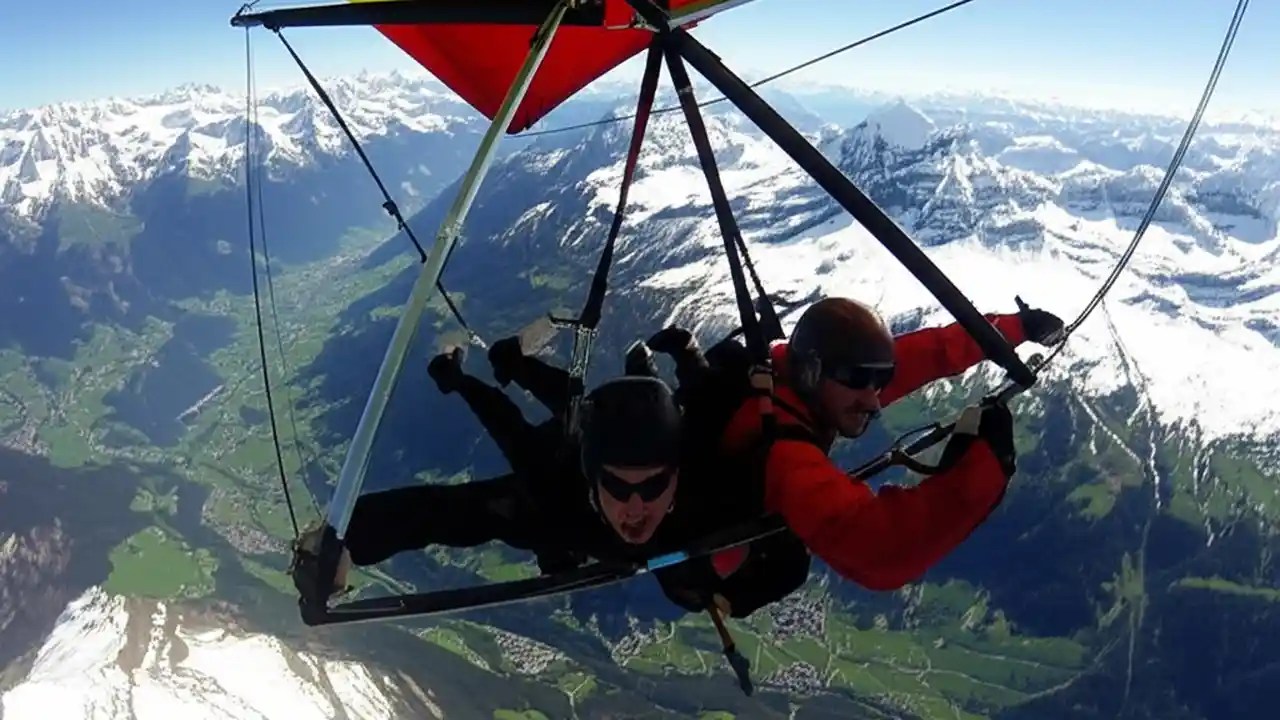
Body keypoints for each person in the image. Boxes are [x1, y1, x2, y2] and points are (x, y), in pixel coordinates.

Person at [682, 296, 1066, 601]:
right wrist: (984, 468)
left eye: (879, 380)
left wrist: (1014, 328)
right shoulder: (784, 453)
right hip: (720, 553)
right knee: (787, 565)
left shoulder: (798, 381)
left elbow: (925, 355)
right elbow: (884, 550)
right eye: (857, 379)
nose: (873, 400)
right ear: (813, 373)